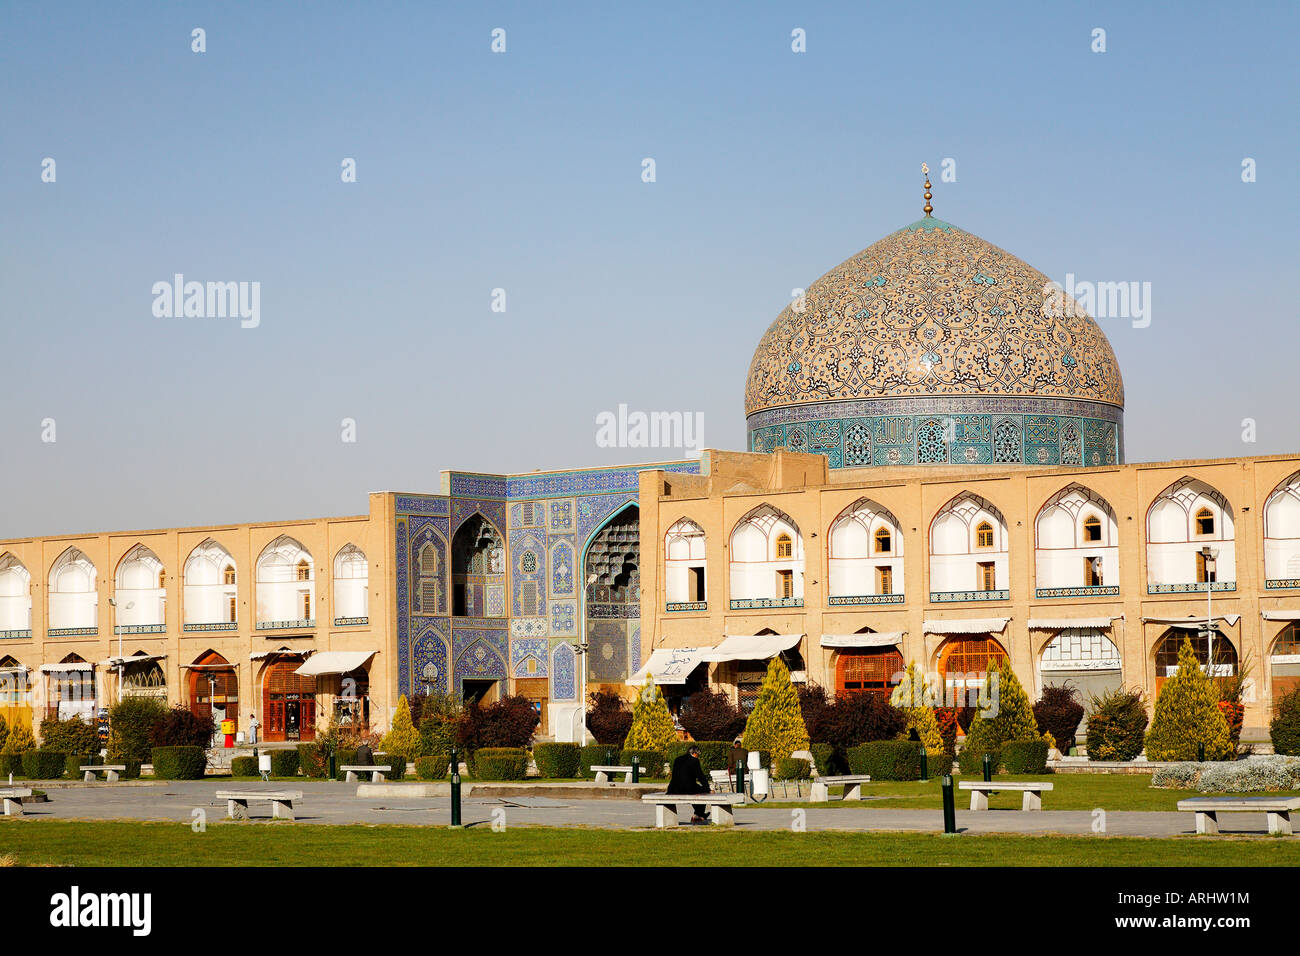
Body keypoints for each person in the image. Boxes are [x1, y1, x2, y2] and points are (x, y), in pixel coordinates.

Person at [667, 743, 711, 824]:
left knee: (696, 790)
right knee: (703, 792)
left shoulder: (678, 759)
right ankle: (698, 815)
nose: (698, 756)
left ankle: (699, 815)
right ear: (694, 753)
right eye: (698, 754)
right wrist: (708, 789)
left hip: (674, 788)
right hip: (687, 788)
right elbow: (700, 776)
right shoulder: (695, 760)